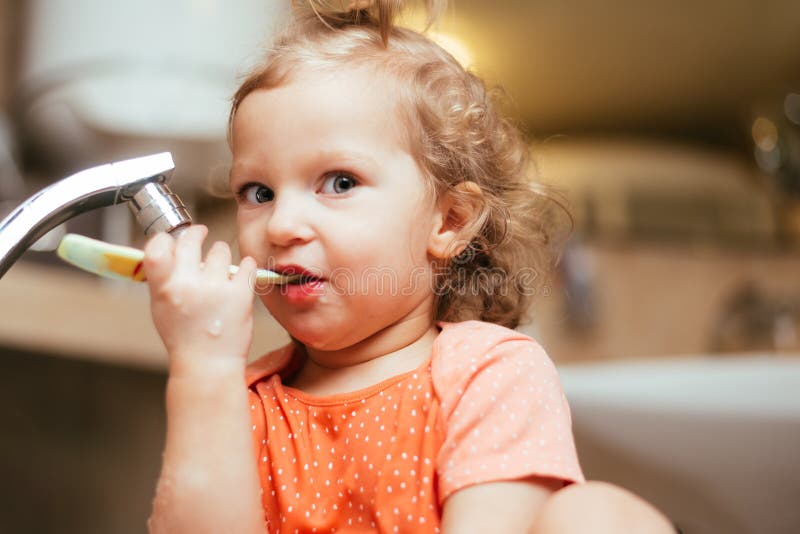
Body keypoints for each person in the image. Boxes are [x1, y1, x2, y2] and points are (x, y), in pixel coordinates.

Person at [143, 1, 676, 532]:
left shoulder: (487, 376)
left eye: (340, 182)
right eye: (257, 192)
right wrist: (203, 371)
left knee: (595, 516)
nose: (281, 225)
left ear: (449, 220)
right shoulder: (239, 406)